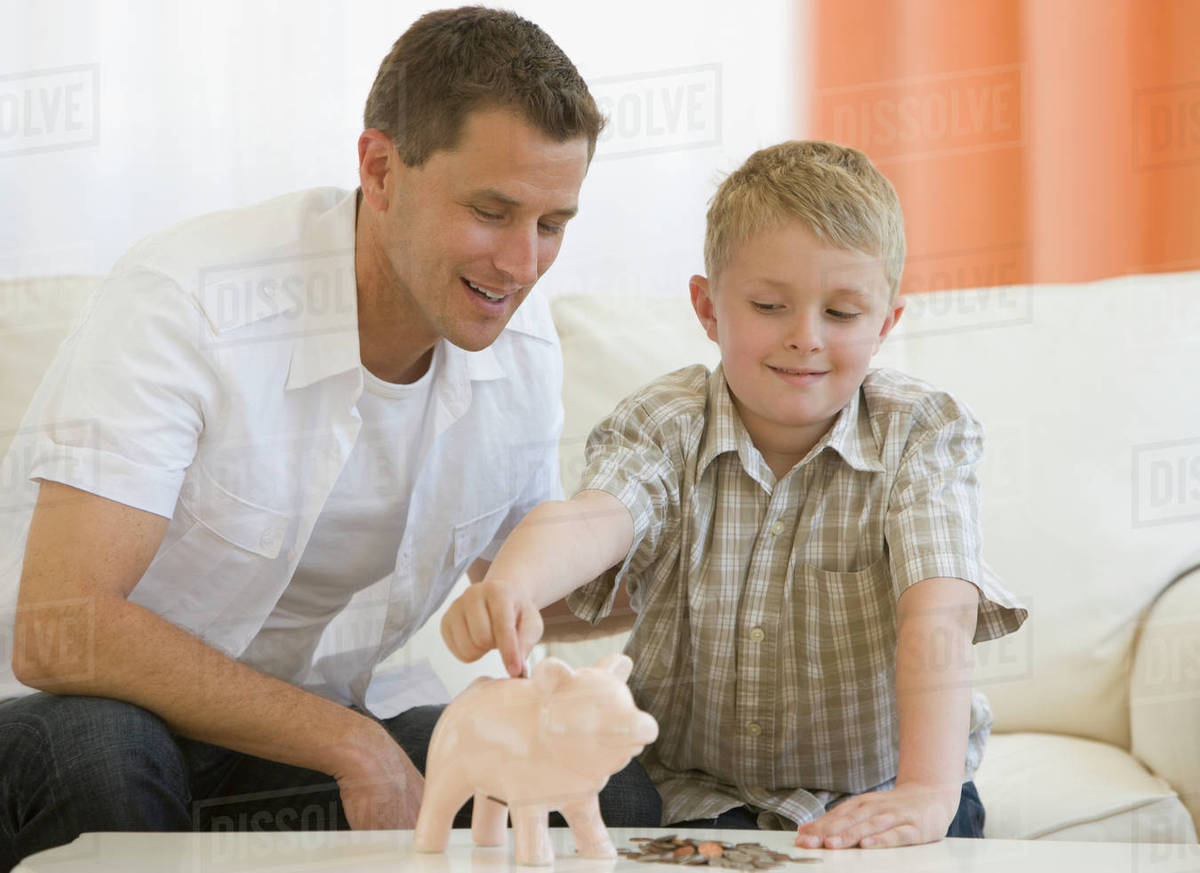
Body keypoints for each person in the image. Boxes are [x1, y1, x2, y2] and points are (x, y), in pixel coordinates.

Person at [0, 8, 653, 870]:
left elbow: (518, 587)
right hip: (76, 717)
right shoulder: (189, 303)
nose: (522, 265)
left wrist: (714, 578)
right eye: (493, 211)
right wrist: (349, 743)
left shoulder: (518, 353)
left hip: (302, 745)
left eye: (552, 224)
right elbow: (60, 626)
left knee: (607, 789)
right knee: (104, 754)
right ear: (381, 170)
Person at [441, 139, 1030, 848]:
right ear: (708, 307)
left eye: (842, 313)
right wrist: (512, 582)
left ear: (886, 324)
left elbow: (939, 609)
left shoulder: (923, 436)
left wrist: (927, 790)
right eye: (769, 304)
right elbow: (595, 518)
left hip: (880, 790)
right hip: (700, 793)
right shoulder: (667, 423)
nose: (805, 337)